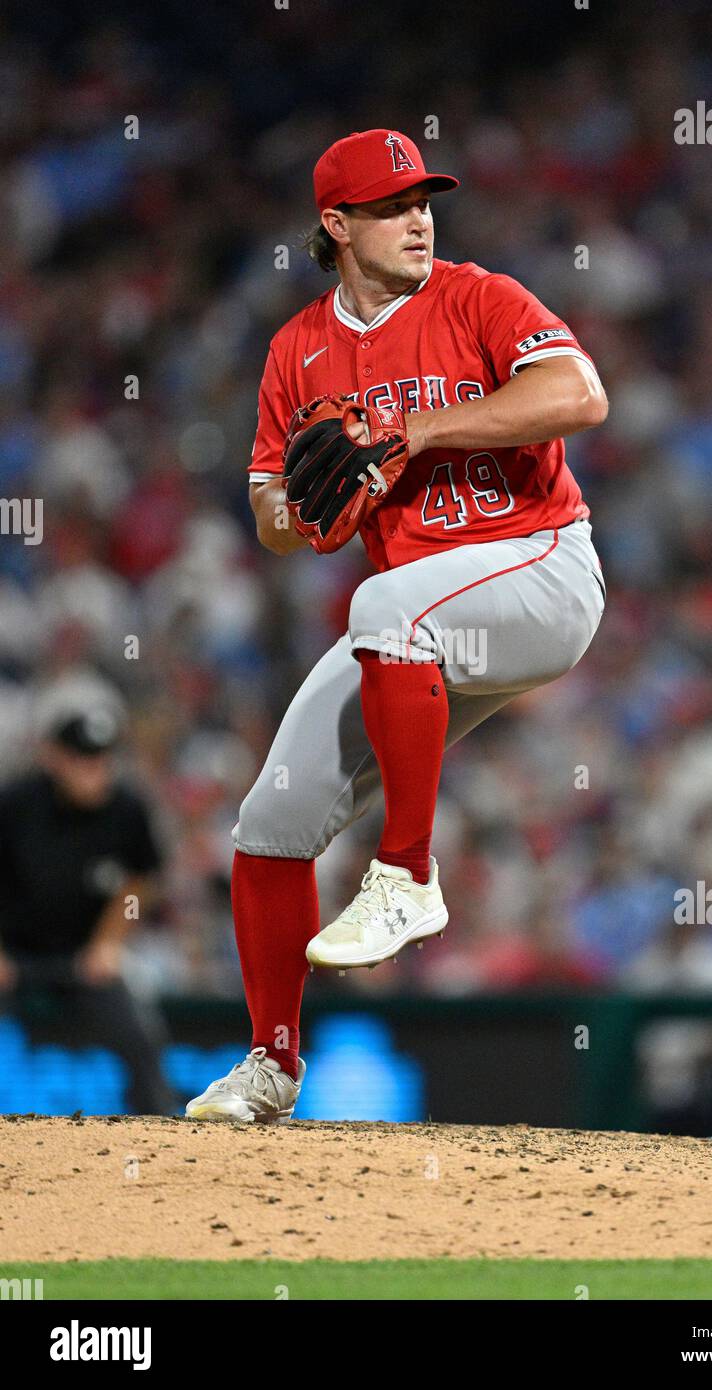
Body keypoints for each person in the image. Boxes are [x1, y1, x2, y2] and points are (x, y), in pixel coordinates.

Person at [186, 128, 608, 1124]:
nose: (417, 219)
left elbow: (578, 395)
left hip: (542, 571)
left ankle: (407, 874)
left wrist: (409, 431)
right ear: (336, 225)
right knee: (270, 819)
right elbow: (273, 520)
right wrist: (309, 504)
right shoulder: (298, 350)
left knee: (381, 606)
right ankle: (271, 1065)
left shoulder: (477, 297)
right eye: (390, 206)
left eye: (423, 201)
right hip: (418, 631)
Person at [0, 705, 173, 1114]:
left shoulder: (127, 810)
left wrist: (109, 943)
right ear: (53, 758)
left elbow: (141, 881)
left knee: (140, 1036)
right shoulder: (15, 805)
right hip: (12, 955)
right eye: (81, 758)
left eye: (101, 758)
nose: (94, 769)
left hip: (82, 959)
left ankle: (160, 1132)